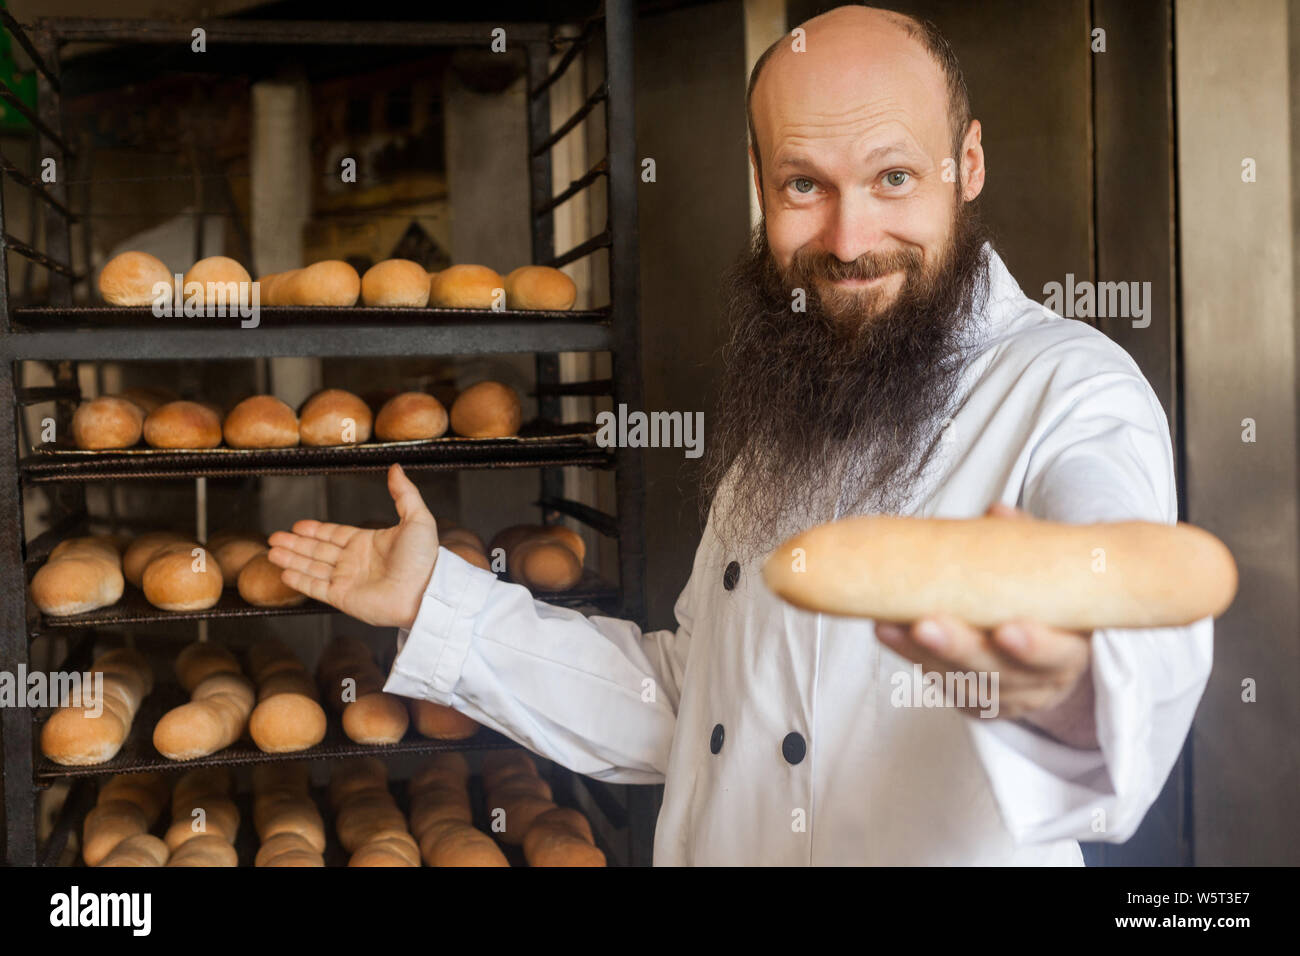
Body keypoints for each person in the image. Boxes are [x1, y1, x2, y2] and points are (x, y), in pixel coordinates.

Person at [267, 5, 1211, 864]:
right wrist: (437, 601)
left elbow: (1129, 605)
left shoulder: (1067, 390)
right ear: (761, 184)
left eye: (892, 176)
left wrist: (1069, 681)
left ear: (966, 165)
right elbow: (695, 708)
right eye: (806, 185)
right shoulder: (798, 405)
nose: (849, 240)